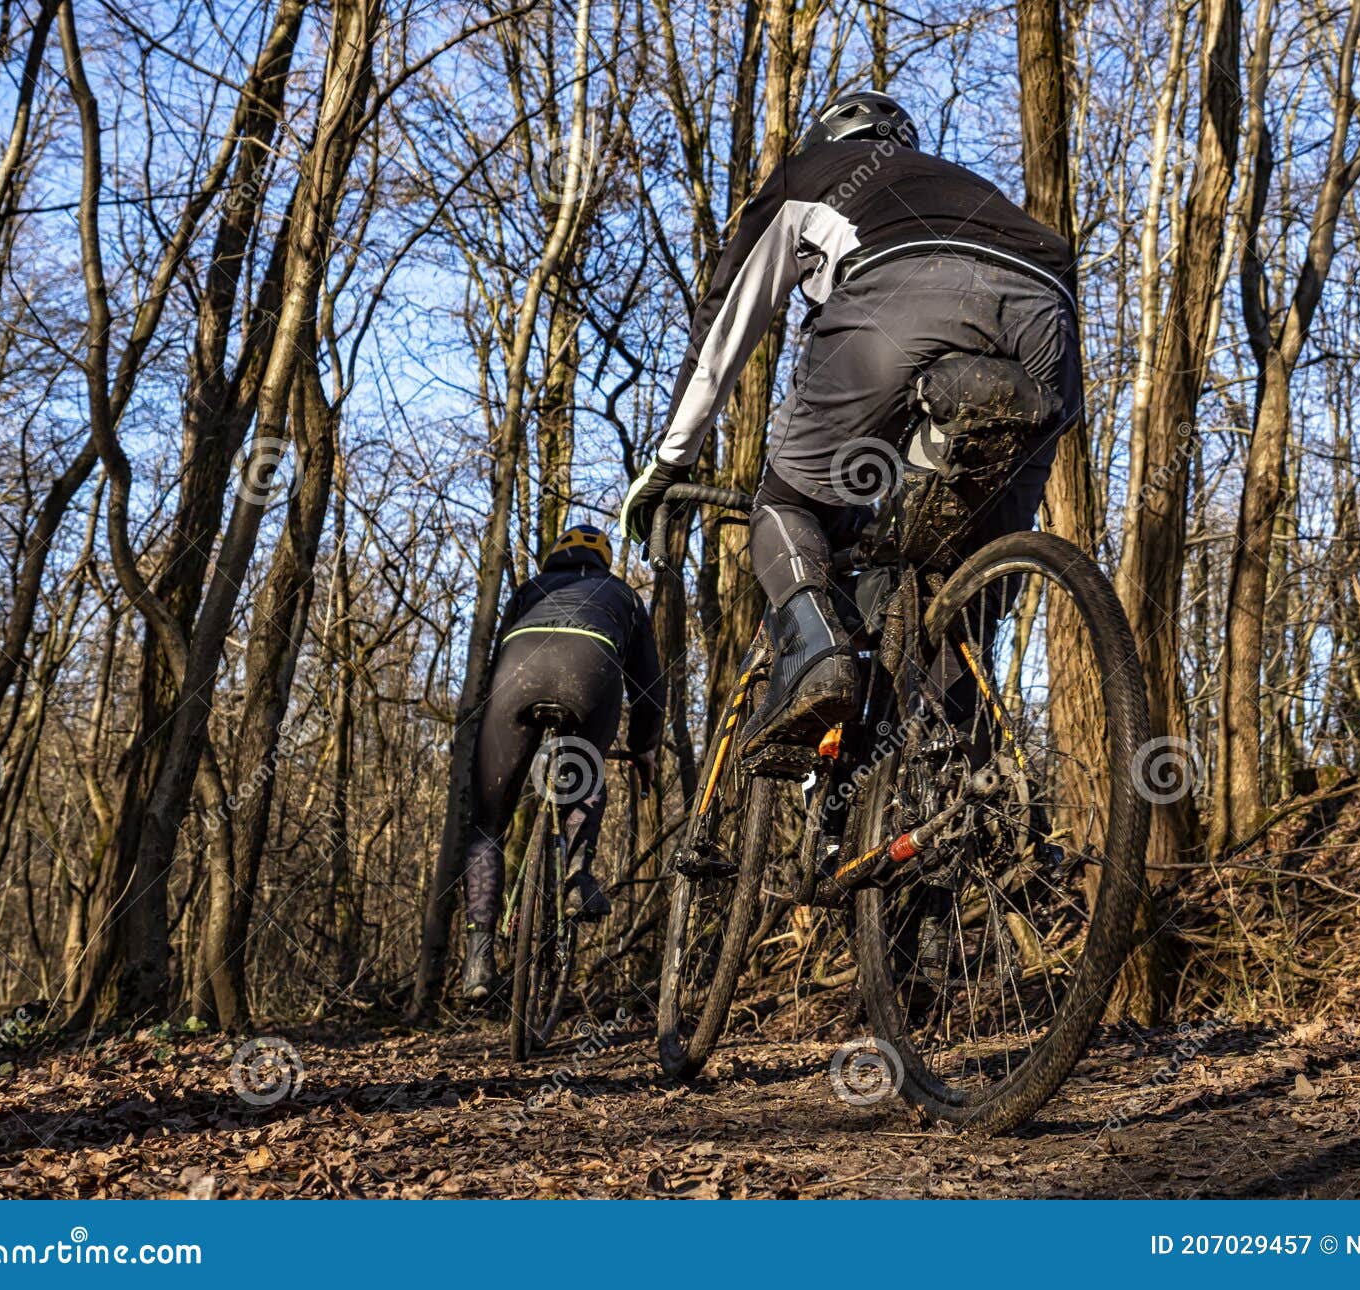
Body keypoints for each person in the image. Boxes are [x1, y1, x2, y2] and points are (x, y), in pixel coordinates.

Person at [622, 90, 1080, 754]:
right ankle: (956, 771)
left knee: (786, 501)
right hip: (1048, 316)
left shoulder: (809, 173)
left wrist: (672, 458)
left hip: (899, 296)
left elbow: (726, 322)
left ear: (830, 140)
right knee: (961, 565)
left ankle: (816, 656)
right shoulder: (964, 184)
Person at [460, 523, 665, 1002]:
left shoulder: (527, 590)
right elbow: (648, 685)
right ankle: (576, 878)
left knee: (489, 825)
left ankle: (477, 959)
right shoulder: (623, 595)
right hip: (589, 673)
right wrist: (643, 747)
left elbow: (494, 661)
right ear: (604, 561)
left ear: (556, 556)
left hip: (516, 672)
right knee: (585, 777)